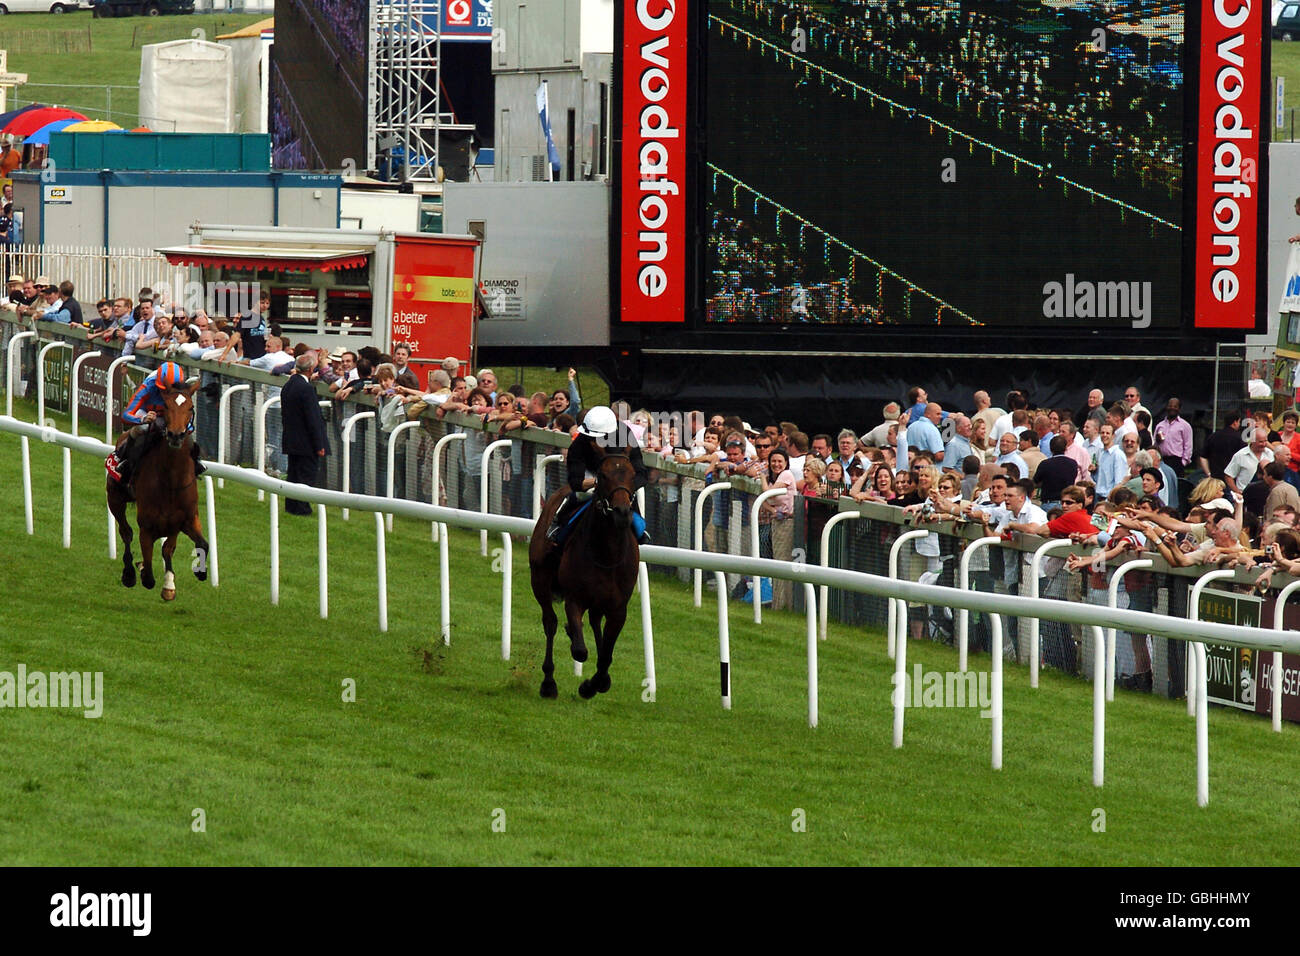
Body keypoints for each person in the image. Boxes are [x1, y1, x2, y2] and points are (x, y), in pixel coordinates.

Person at [547, 406, 650, 546]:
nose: (592, 439)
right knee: (580, 495)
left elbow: (641, 473)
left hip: (620, 480)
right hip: (592, 474)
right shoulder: (581, 441)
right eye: (590, 435)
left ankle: (640, 531)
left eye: (597, 436)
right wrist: (598, 482)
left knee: (627, 502)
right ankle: (558, 524)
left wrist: (624, 486)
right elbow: (575, 481)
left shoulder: (625, 434)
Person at [104, 362, 205, 485]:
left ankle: (196, 463)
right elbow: (126, 415)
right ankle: (122, 458)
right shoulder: (148, 386)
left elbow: (185, 418)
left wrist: (184, 428)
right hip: (146, 412)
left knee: (187, 437)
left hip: (167, 416)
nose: (166, 394)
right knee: (142, 428)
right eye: (163, 391)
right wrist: (142, 419)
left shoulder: (180, 393)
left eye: (169, 391)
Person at [280, 353, 329, 515]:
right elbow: (313, 419)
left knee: (293, 474)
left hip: (292, 439)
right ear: (310, 369)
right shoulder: (306, 389)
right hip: (306, 442)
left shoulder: (288, 385)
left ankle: (291, 505)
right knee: (305, 476)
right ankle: (302, 508)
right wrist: (319, 444)